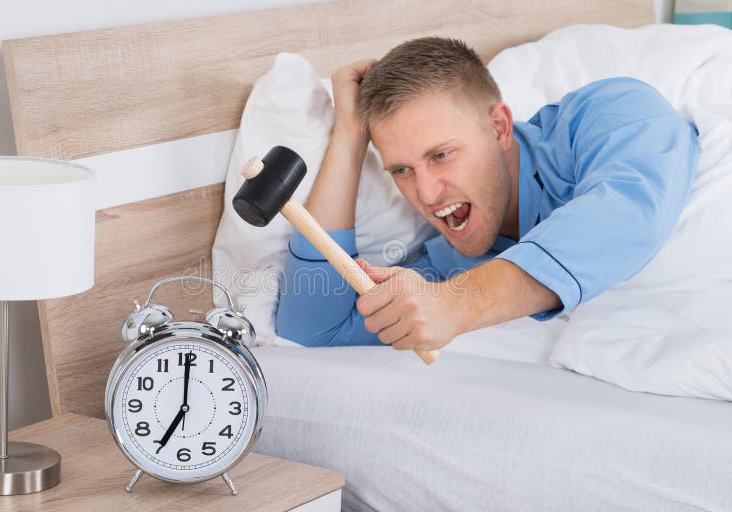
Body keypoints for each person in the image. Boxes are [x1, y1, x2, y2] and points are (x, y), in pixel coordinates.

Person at [275, 37, 698, 351]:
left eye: (441, 155)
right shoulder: (444, 267)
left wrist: (458, 305)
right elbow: (313, 331)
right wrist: (349, 136)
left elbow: (626, 213)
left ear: (498, 127)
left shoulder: (608, 113)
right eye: (402, 170)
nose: (425, 192)